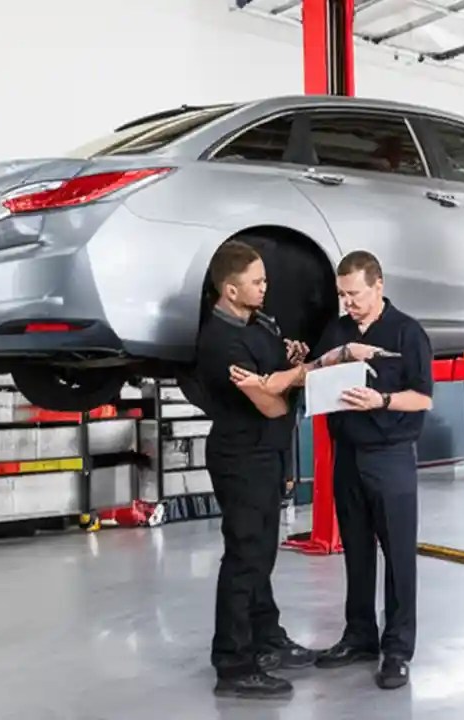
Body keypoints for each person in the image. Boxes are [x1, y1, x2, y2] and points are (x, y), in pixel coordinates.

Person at [193, 239, 319, 699]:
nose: (266, 287)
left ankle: (267, 640)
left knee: (262, 555)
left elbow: (275, 382)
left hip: (268, 454)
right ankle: (232, 663)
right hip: (241, 456)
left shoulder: (260, 325)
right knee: (245, 558)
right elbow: (270, 407)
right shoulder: (220, 341)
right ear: (230, 289)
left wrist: (287, 364)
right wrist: (294, 378)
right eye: (257, 281)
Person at [306, 250, 434, 690]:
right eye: (343, 295)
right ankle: (359, 636)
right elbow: (312, 375)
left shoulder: (408, 332)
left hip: (391, 455)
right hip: (348, 456)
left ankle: (397, 649)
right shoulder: (338, 332)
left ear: (378, 285)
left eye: (355, 294)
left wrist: (381, 400)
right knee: (357, 552)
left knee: (398, 556)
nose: (349, 303)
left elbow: (423, 398)